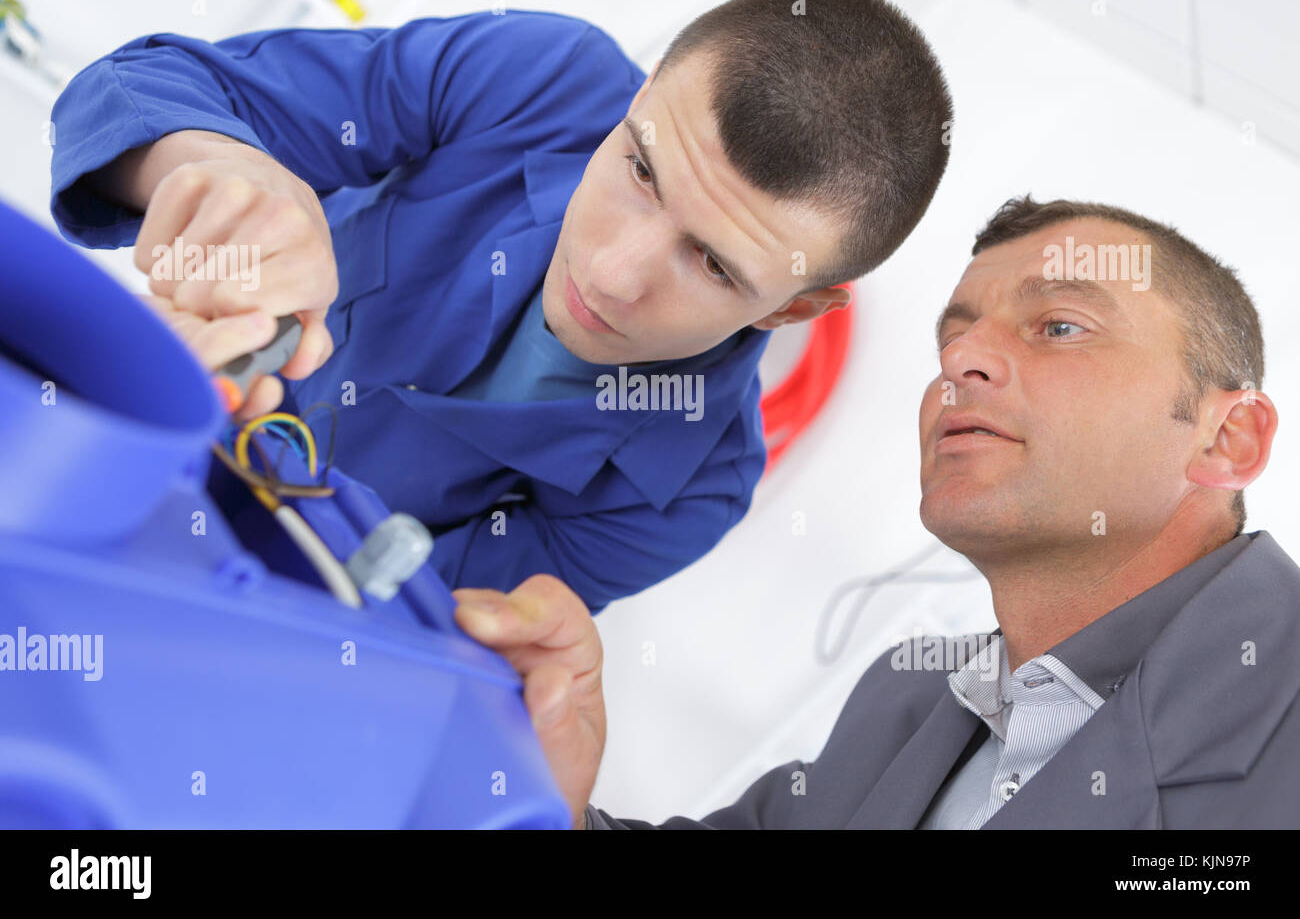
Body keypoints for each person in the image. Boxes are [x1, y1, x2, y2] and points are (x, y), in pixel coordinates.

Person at [47, 0, 953, 611]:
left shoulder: (685, 495)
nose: (610, 272)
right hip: (72, 440)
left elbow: (370, 624)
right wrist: (228, 169)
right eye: (640, 170)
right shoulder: (536, 77)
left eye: (714, 266)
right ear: (639, 97)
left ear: (790, 310)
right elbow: (133, 89)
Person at [453, 196, 1299, 829]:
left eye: (1060, 326)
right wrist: (552, 801)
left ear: (1228, 438)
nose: (961, 360)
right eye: (953, 338)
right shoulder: (911, 698)